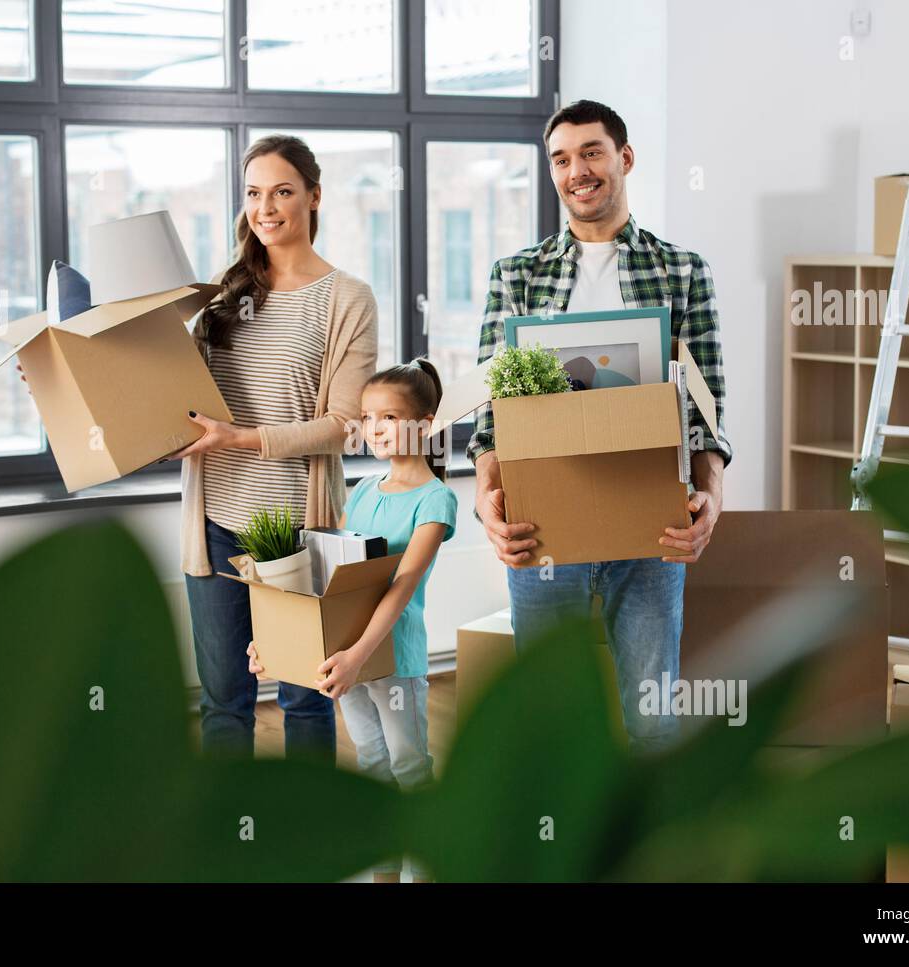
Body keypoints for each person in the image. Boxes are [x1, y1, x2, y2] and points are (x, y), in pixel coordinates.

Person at [467, 100, 733, 755]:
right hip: (542, 524)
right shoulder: (517, 275)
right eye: (561, 158)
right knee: (551, 721)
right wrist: (485, 497)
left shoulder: (682, 270)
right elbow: (489, 407)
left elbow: (707, 406)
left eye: (591, 152)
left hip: (649, 525)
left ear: (624, 159)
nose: (577, 170)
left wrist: (712, 496)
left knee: (652, 723)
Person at [164, 134, 379, 761]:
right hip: (216, 523)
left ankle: (304, 837)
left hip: (296, 529)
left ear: (314, 197)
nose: (267, 207)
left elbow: (345, 423)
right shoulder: (222, 298)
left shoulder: (347, 299)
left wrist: (243, 438)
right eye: (255, 193)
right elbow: (173, 399)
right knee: (223, 698)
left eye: (283, 191)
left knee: (304, 695)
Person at [248, 359, 457, 882]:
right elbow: (327, 577)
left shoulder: (436, 500)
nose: (375, 429)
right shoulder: (362, 493)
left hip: (390, 658)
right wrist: (278, 644)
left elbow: (401, 585)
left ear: (424, 423)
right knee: (371, 762)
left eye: (389, 416)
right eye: (368, 418)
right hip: (347, 657)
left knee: (409, 767)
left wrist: (357, 654)